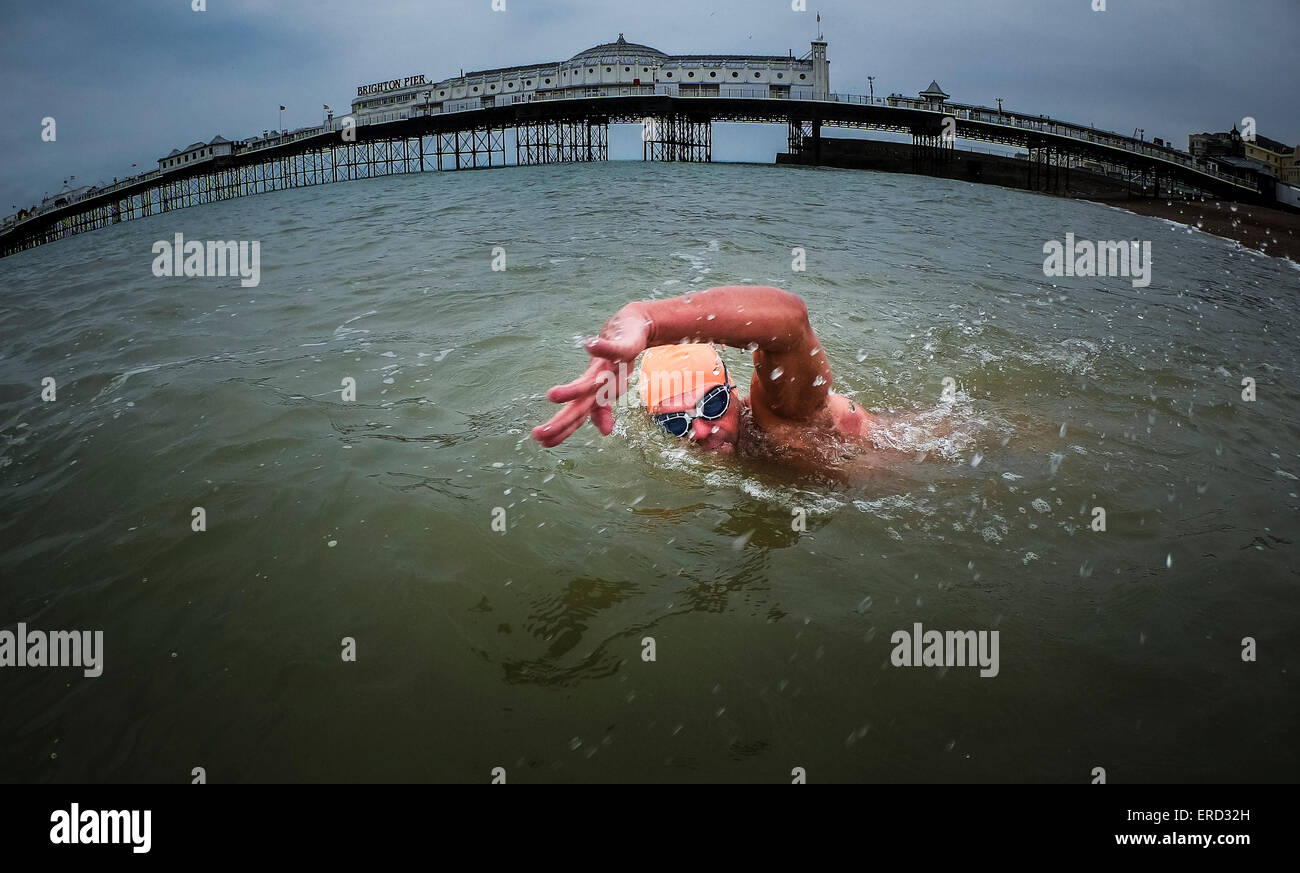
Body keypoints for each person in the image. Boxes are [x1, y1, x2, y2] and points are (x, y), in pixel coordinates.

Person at [532, 285, 880, 466]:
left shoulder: (779, 417)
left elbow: (791, 321)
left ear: (732, 390)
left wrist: (648, 321)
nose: (700, 431)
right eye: (674, 423)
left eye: (711, 404)